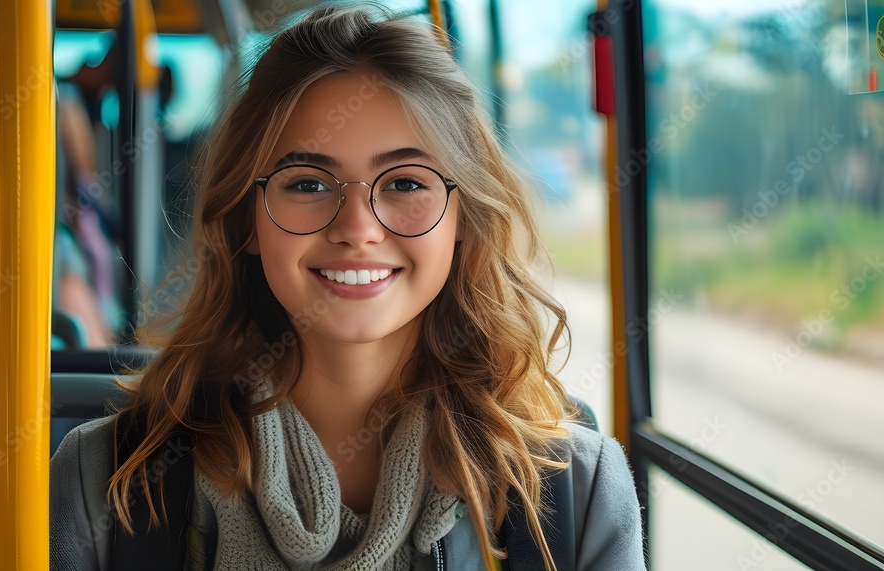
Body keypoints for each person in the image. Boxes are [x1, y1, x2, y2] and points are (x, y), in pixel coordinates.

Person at [50, 4, 647, 570]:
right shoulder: (105, 478)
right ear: (245, 221)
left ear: (464, 219)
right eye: (308, 184)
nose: (358, 229)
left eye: (407, 184)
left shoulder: (577, 489)